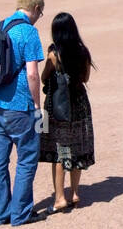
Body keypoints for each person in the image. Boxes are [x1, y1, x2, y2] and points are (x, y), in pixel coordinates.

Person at [0, 0, 47, 226]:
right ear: (34, 8)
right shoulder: (29, 32)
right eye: (40, 13)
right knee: (27, 158)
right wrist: (37, 106)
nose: (38, 17)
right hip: (20, 106)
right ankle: (20, 213)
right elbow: (32, 73)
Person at [40, 12, 96, 212]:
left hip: (59, 105)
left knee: (60, 151)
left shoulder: (54, 53)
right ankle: (74, 192)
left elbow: (44, 76)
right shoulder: (83, 51)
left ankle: (60, 198)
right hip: (80, 102)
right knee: (78, 147)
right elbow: (85, 78)